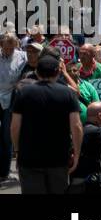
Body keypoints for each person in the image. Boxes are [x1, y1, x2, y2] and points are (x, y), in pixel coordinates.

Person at [10, 53, 82, 194]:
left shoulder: (23, 93)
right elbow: (77, 126)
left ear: (37, 72)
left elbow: (14, 126)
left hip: (29, 157)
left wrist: (17, 150)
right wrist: (77, 153)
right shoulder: (68, 93)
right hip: (58, 157)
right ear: (57, 72)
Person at [0, 32, 26, 183]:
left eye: (12, 48)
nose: (9, 51)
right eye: (6, 48)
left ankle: (4, 171)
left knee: (7, 136)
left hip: (11, 99)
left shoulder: (22, 56)